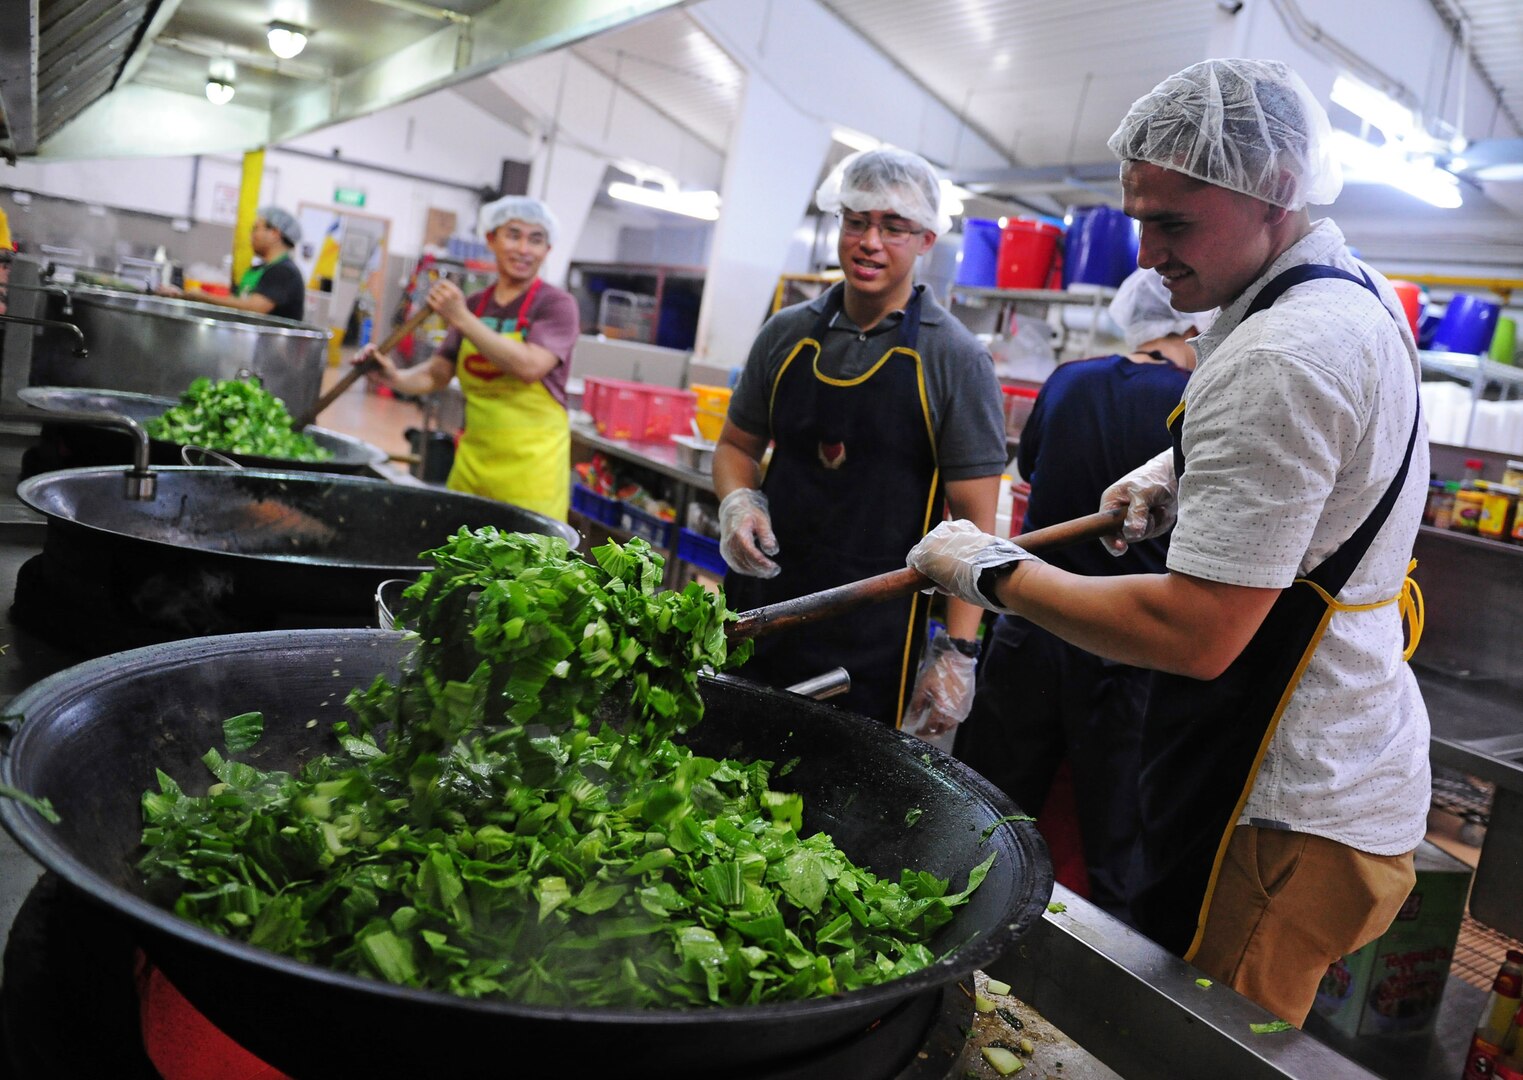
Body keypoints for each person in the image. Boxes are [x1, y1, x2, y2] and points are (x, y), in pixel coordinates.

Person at [906, 58, 1429, 1027]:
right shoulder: (1337, 296)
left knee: (1198, 1047)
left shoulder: (1281, 353)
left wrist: (990, 567)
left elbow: (1193, 630)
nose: (1145, 255)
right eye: (1138, 217)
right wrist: (1174, 472)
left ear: (1275, 189)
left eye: (1173, 223)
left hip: (1285, 804)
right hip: (1338, 764)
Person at [714, 147, 1006, 732]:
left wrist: (957, 653)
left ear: (926, 240)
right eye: (857, 221)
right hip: (761, 601)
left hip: (874, 628)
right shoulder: (786, 333)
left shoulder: (954, 358)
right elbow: (736, 447)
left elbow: (975, 529)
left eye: (894, 227)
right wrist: (738, 503)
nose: (870, 241)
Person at [952, 267, 1203, 923]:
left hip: (1030, 626)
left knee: (986, 820)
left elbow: (1032, 469)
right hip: (1124, 652)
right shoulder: (1199, 403)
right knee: (1115, 853)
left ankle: (955, 949)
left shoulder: (1069, 379)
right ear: (1191, 323)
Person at [353, 195, 579, 521]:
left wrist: (460, 317)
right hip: (473, 465)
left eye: (536, 239)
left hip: (533, 472)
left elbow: (529, 366)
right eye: (513, 235)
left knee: (525, 567)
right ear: (491, 239)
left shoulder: (556, 305)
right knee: (463, 561)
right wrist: (396, 378)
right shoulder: (475, 304)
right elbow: (438, 373)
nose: (524, 249)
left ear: (548, 250)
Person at [157, 206, 306, 321]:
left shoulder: (284, 272)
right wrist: (184, 295)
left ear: (274, 233)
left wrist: (200, 296)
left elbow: (254, 308)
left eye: (256, 229)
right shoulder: (259, 269)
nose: (251, 235)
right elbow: (235, 302)